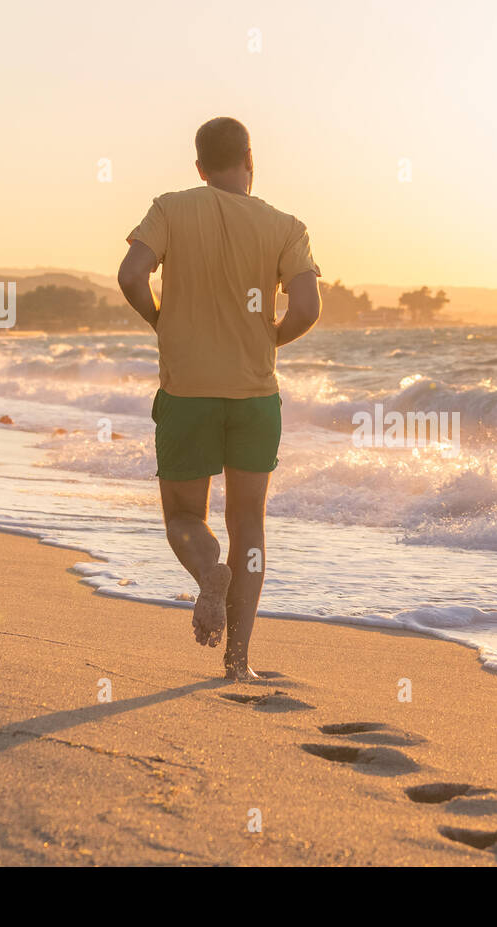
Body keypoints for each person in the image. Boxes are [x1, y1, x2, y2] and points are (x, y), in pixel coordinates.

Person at [118, 117, 322, 681]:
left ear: (200, 167)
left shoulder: (171, 208)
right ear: (250, 162)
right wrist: (268, 338)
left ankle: (209, 571)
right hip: (255, 397)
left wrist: (159, 321)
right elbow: (307, 308)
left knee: (185, 515)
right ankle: (239, 662)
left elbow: (132, 274)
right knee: (249, 527)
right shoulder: (285, 226)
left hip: (187, 392)